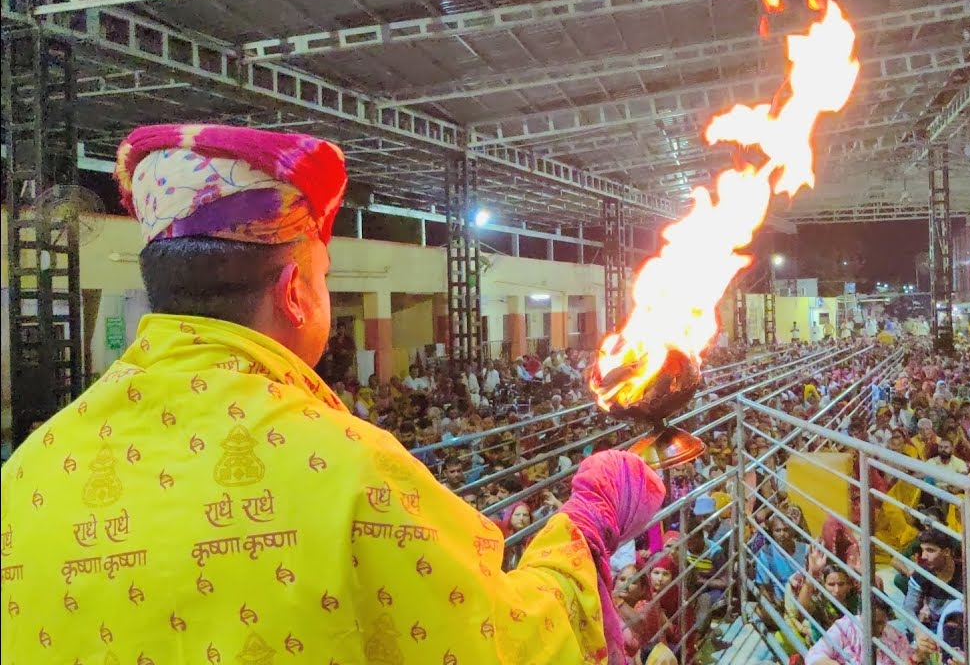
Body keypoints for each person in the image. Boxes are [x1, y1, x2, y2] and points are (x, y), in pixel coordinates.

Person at [0, 124, 665, 665]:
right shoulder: (351, 472)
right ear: (295, 291)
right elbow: (501, 646)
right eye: (323, 274)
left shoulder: (29, 471)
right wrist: (586, 527)